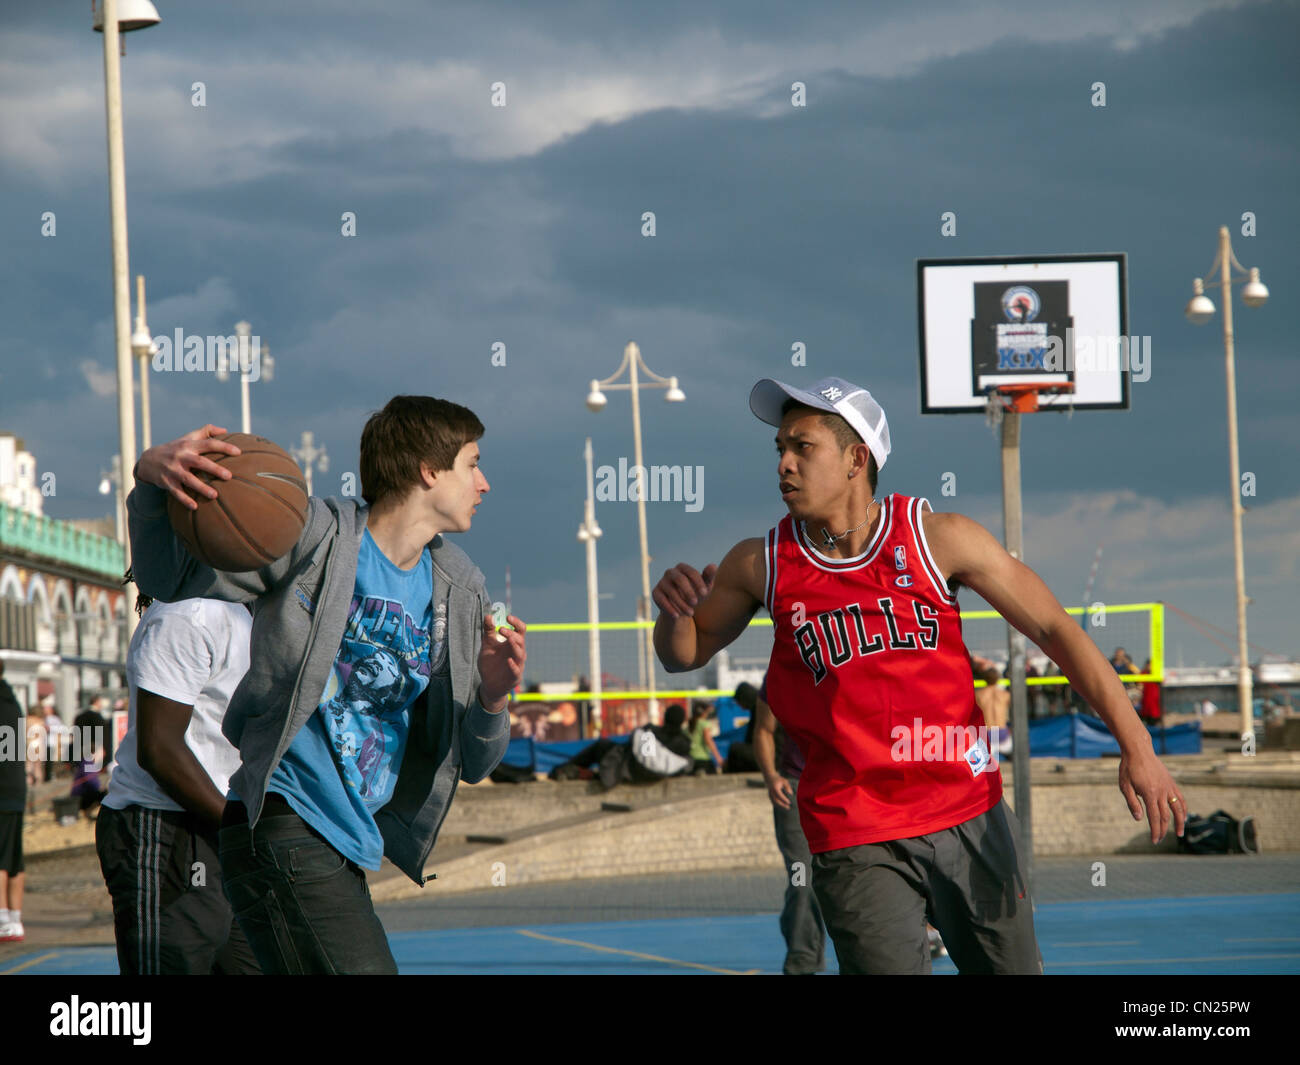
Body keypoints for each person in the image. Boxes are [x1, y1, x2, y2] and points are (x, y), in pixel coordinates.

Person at [652, 376, 1188, 975]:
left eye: (802, 447)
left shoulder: (938, 538)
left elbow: (1055, 630)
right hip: (854, 830)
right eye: (779, 448)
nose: (783, 464)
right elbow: (686, 652)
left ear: (857, 459)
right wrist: (673, 614)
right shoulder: (761, 561)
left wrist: (1137, 743)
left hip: (968, 812)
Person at [126, 397, 526, 975]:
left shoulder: (459, 587)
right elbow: (170, 578)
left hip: (350, 844)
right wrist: (149, 481)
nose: (483, 483)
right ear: (428, 470)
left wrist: (493, 694)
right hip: (282, 824)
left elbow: (478, 761)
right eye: (472, 463)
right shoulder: (313, 537)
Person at [95, 588, 261, 975]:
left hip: (224, 828)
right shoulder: (189, 614)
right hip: (168, 828)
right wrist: (238, 825)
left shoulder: (248, 613)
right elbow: (159, 750)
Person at [752, 675, 826, 975]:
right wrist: (771, 777)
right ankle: (801, 963)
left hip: (846, 789)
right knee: (802, 879)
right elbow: (764, 730)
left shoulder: (854, 662)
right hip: (794, 792)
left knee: (853, 881)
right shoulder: (781, 671)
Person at [548, 704, 693, 789]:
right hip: (646, 776)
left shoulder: (651, 731)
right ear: (682, 721)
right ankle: (583, 772)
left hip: (626, 768)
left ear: (665, 717)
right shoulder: (684, 743)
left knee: (602, 745)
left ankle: (565, 769)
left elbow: (629, 747)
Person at [0, 660, 26, 943]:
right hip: (15, 788)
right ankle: (14, 918)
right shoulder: (12, 701)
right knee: (15, 856)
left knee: (1, 856)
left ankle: (3, 917)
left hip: (2, 789)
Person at [688, 701, 723, 774]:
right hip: (703, 758)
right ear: (704, 713)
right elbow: (708, 741)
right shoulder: (704, 724)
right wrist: (718, 757)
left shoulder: (689, 724)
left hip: (691, 758)